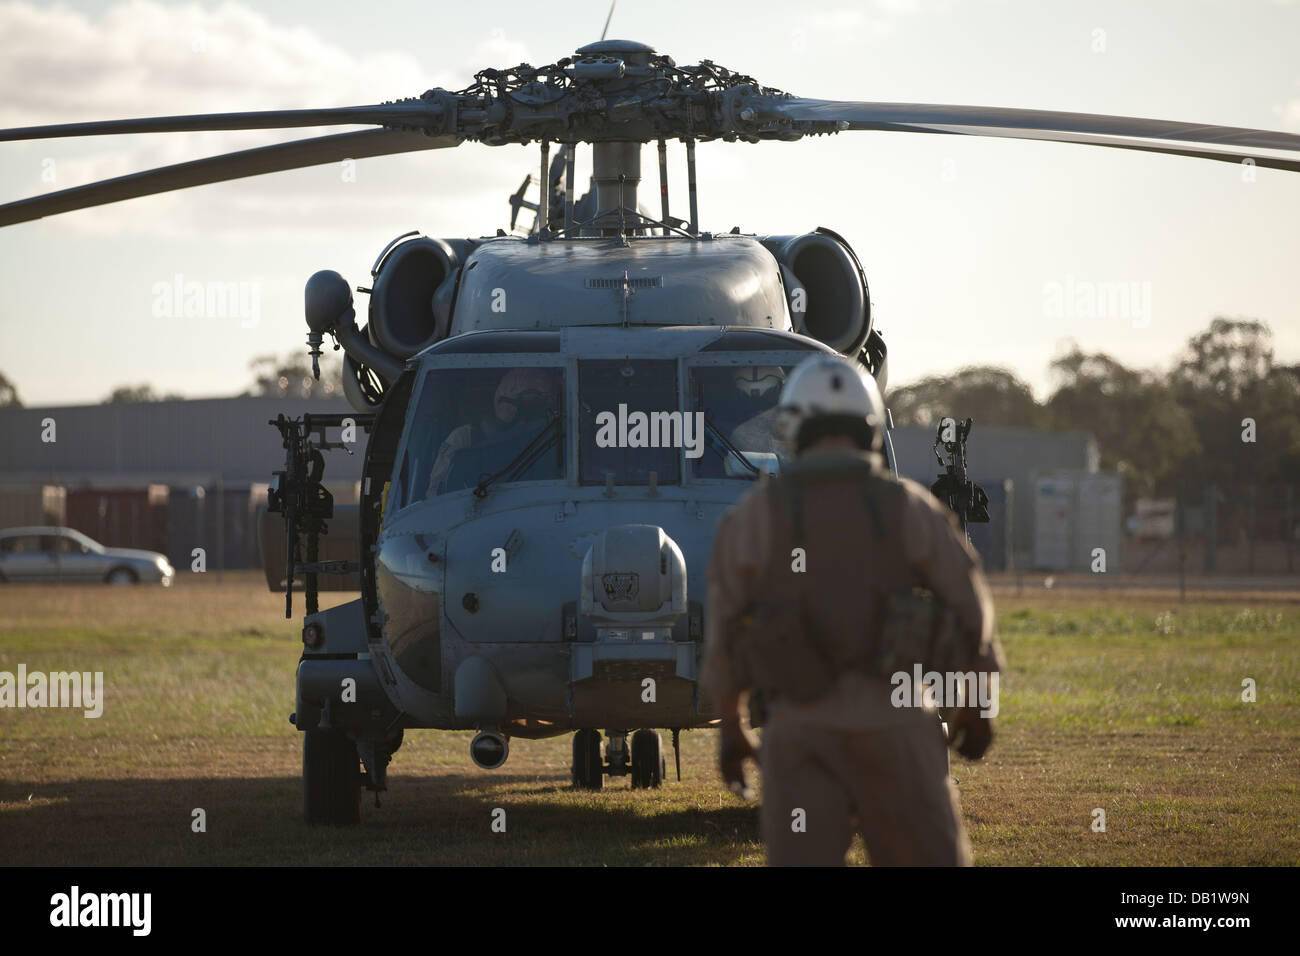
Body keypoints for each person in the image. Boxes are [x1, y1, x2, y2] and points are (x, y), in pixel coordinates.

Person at [700, 353, 1003, 866]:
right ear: (869, 430)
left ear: (794, 428)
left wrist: (731, 727)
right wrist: (978, 704)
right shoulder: (909, 507)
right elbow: (972, 613)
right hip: (900, 727)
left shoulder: (754, 517)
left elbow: (724, 635)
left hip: (799, 734)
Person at [426, 367, 561, 496]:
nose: (533, 411)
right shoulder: (465, 437)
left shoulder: (557, 437)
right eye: (528, 402)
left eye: (543, 402)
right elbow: (436, 492)